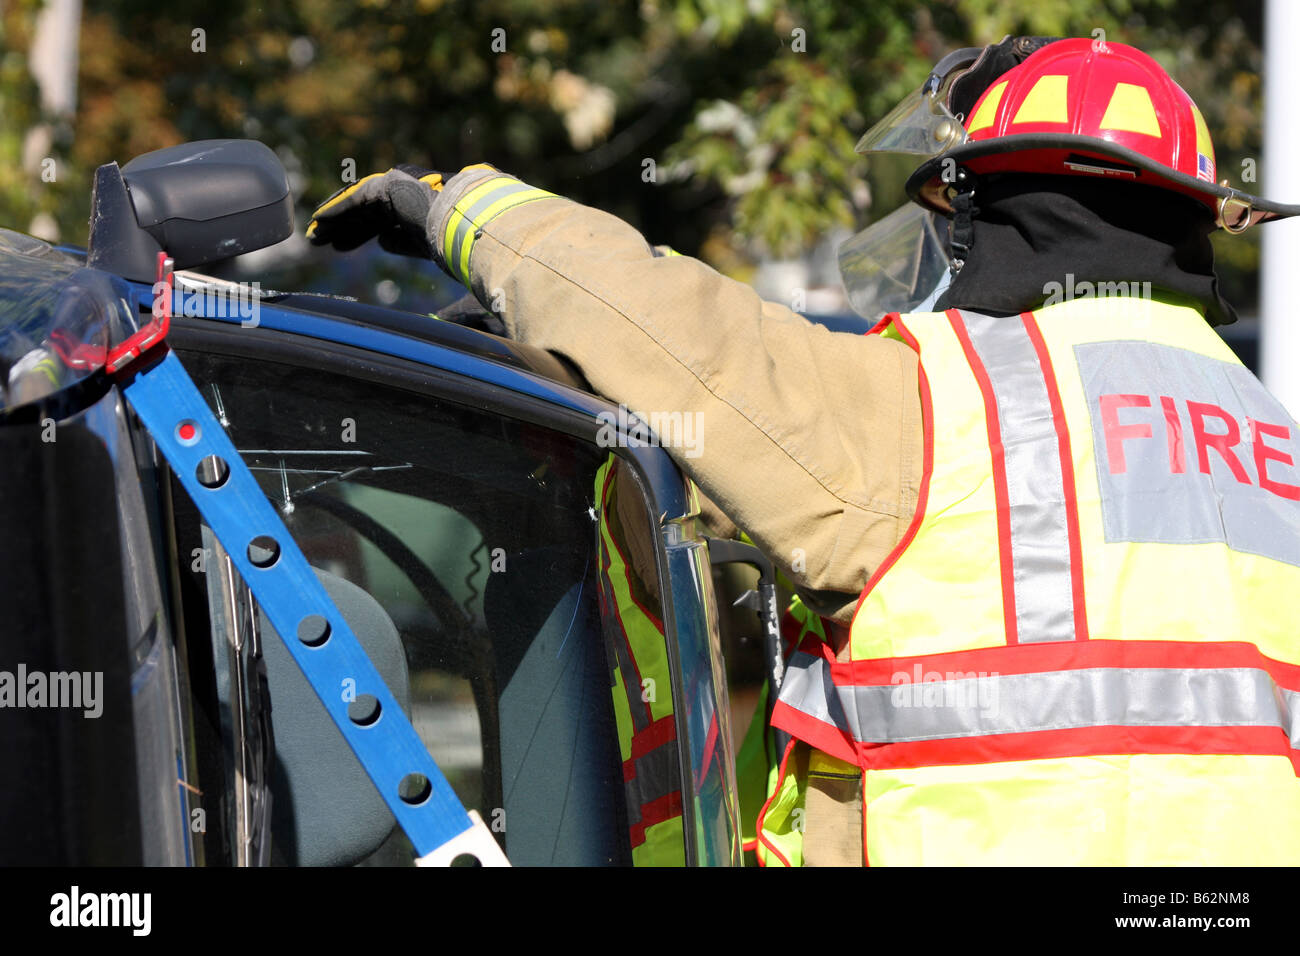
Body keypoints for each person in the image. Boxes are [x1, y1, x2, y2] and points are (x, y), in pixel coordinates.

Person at [307, 36, 1300, 865]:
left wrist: (464, 208)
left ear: (994, 209)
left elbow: (664, 327)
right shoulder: (1270, 442)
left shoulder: (936, 403)